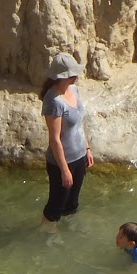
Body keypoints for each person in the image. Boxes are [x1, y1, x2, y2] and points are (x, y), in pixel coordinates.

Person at [42, 51, 92, 229]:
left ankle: (69, 227)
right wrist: (64, 170)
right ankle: (48, 234)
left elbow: (79, 123)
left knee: (72, 202)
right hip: (61, 162)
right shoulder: (53, 101)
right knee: (55, 206)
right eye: (71, 75)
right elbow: (55, 139)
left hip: (79, 156)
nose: (75, 77)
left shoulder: (74, 90)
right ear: (60, 77)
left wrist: (87, 148)